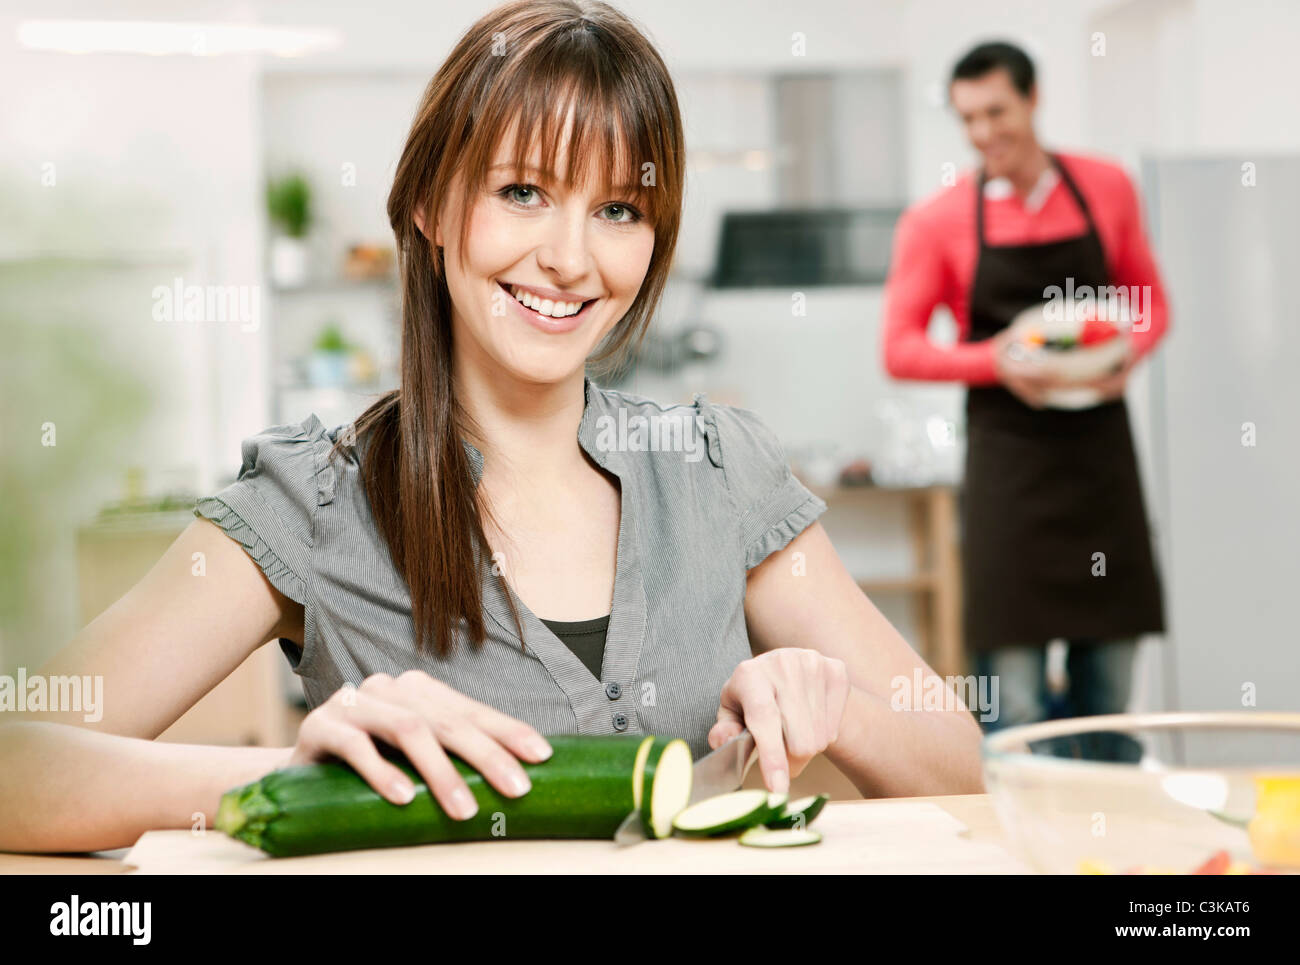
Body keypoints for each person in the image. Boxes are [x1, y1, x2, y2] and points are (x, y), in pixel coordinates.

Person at [0, 0, 983, 854]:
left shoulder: (717, 469)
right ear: (430, 202)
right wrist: (280, 775)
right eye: (522, 192)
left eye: (617, 209)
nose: (568, 257)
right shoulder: (316, 498)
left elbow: (955, 764)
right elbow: (15, 756)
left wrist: (825, 703)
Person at [881, 41, 1170, 760]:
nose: (982, 134)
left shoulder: (1107, 188)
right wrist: (996, 360)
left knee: (1108, 689)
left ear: (1033, 99)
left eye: (996, 112)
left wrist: (1125, 354)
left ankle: (1111, 856)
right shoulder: (937, 221)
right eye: (968, 119)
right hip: (1009, 468)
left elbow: (1150, 302)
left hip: (1101, 461)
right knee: (1015, 702)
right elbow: (901, 349)